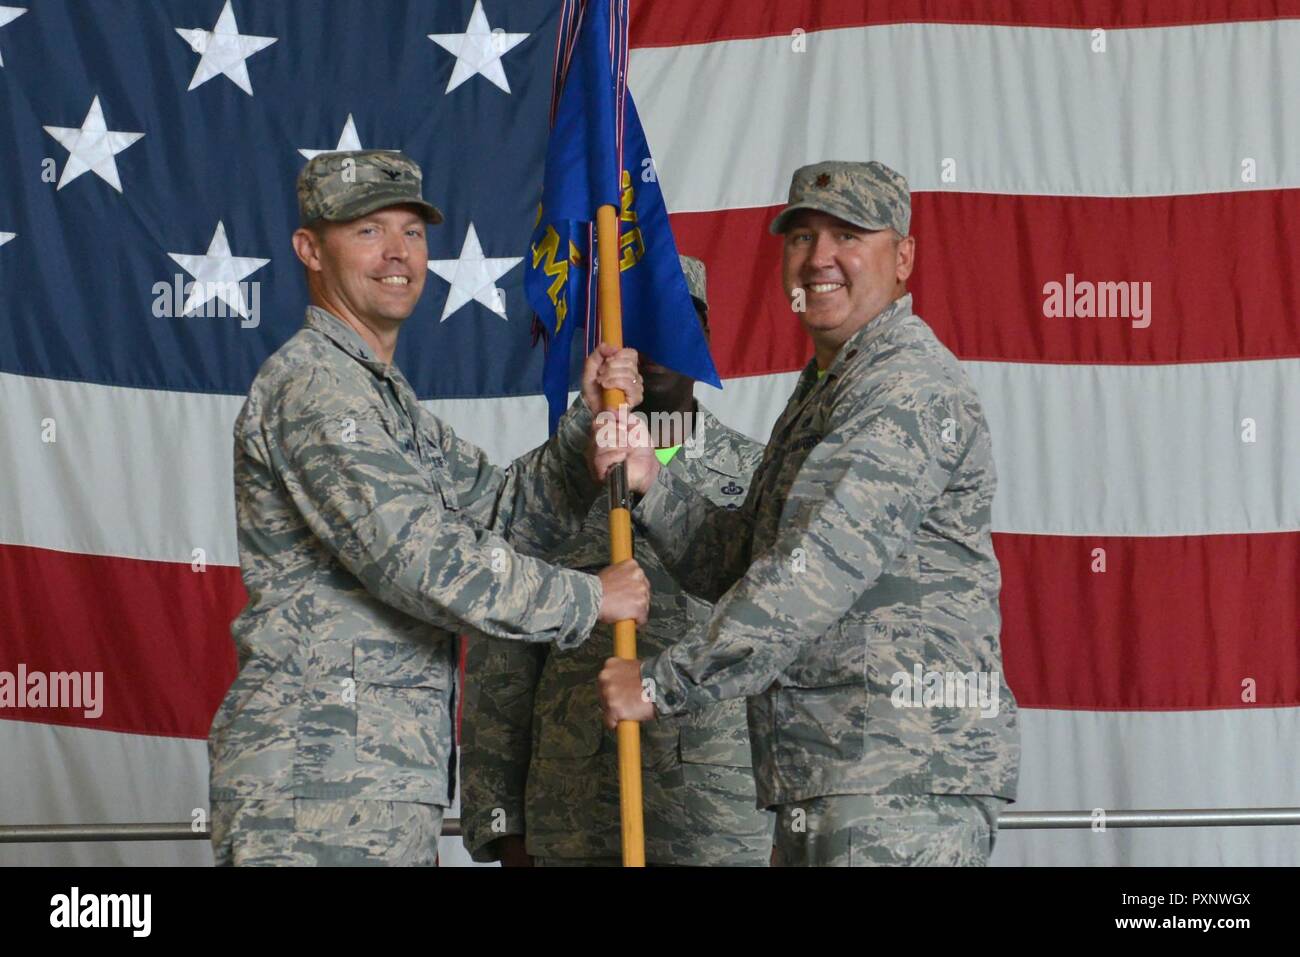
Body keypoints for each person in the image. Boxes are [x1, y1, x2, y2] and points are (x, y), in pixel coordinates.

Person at [208, 149, 650, 866]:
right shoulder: (316, 388)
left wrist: (584, 425)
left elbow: (501, 512)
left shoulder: (386, 400)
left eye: (412, 232)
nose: (397, 253)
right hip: (315, 787)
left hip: (373, 784)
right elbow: (422, 561)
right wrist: (588, 597)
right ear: (308, 250)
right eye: (367, 231)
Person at [594, 161, 1019, 866]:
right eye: (801, 237)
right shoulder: (829, 384)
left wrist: (662, 683)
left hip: (896, 778)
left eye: (848, 234)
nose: (819, 257)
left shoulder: (904, 387)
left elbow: (811, 570)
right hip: (832, 773)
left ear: (903, 256)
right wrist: (651, 483)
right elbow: (747, 561)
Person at [460, 256, 773, 866]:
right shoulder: (548, 484)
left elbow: (786, 649)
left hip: (721, 818)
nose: (653, 345)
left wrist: (797, 819)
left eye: (674, 323)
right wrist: (500, 820)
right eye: (634, 325)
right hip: (572, 813)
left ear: (706, 337)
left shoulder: (760, 477)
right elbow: (503, 654)